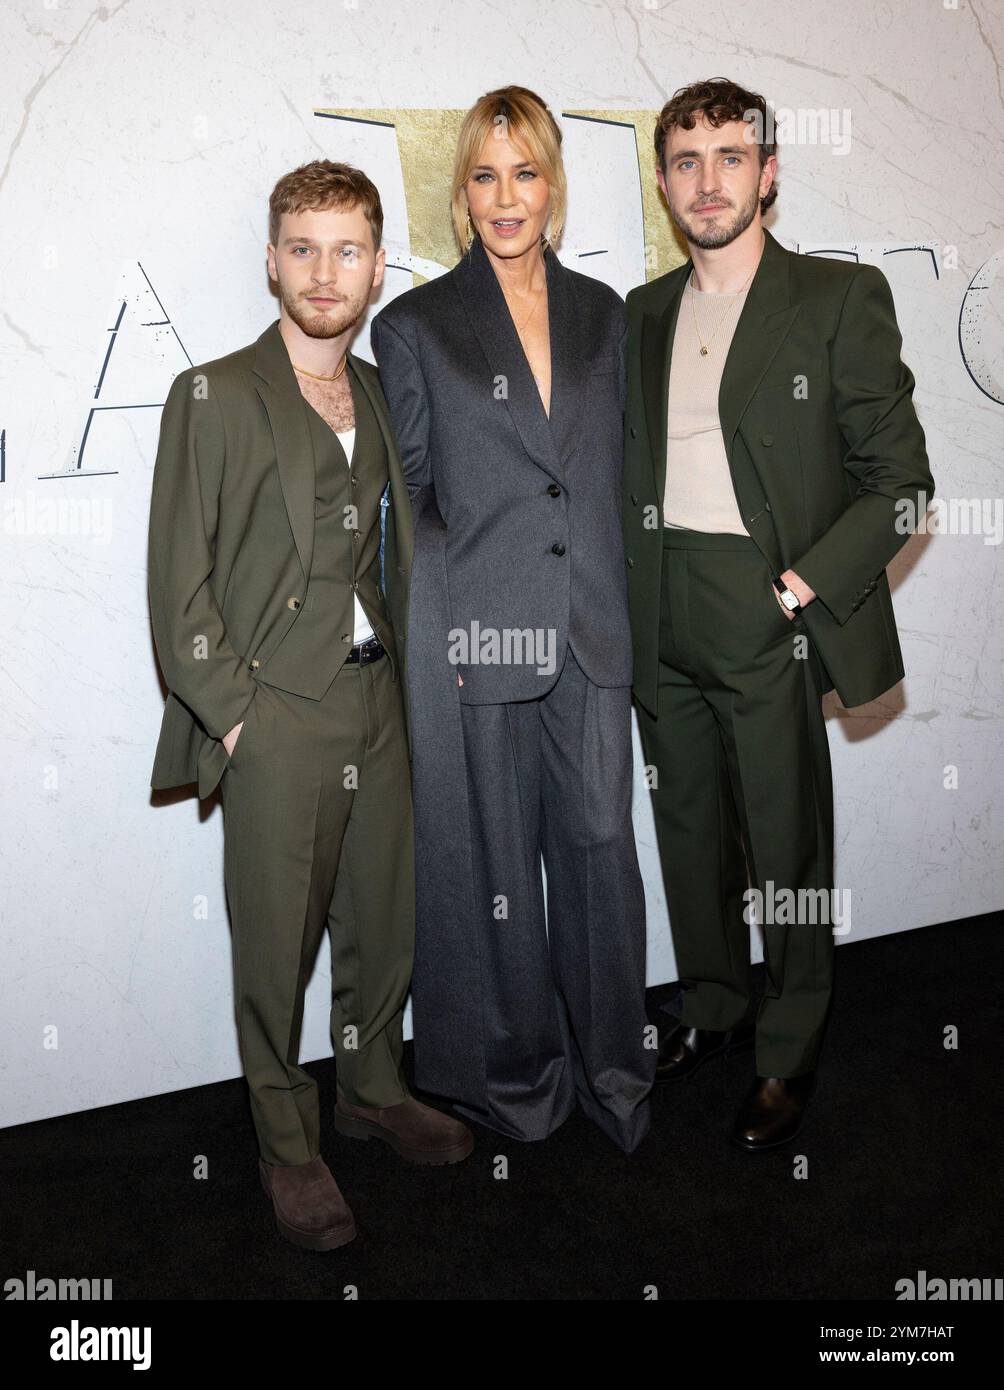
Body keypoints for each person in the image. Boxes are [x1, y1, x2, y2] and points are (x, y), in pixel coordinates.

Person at [148, 160, 472, 1252]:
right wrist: (235, 716)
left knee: (383, 922)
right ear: (271, 260)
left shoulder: (379, 389)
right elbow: (177, 586)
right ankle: (288, 1146)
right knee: (274, 948)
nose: (322, 271)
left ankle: (372, 1088)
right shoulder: (213, 393)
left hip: (379, 699)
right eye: (301, 246)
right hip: (276, 714)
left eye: (346, 250)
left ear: (378, 268)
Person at [623, 79, 934, 1149]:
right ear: (661, 181)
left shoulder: (835, 300)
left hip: (764, 611)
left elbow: (900, 480)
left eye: (726, 157)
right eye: (682, 160)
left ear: (766, 173)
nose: (704, 181)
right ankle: (712, 1008)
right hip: (655, 612)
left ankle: (788, 1045)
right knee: (689, 832)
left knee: (785, 848)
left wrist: (798, 588)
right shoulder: (641, 312)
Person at [371, 86, 655, 1152]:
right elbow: (409, 504)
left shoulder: (603, 313)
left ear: (552, 183)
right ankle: (517, 1079)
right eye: (484, 176)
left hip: (588, 630)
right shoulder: (415, 326)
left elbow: (611, 473)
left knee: (597, 857)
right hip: (477, 638)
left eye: (524, 172)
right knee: (492, 870)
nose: (506, 196)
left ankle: (617, 1071)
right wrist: (435, 636)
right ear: (460, 195)